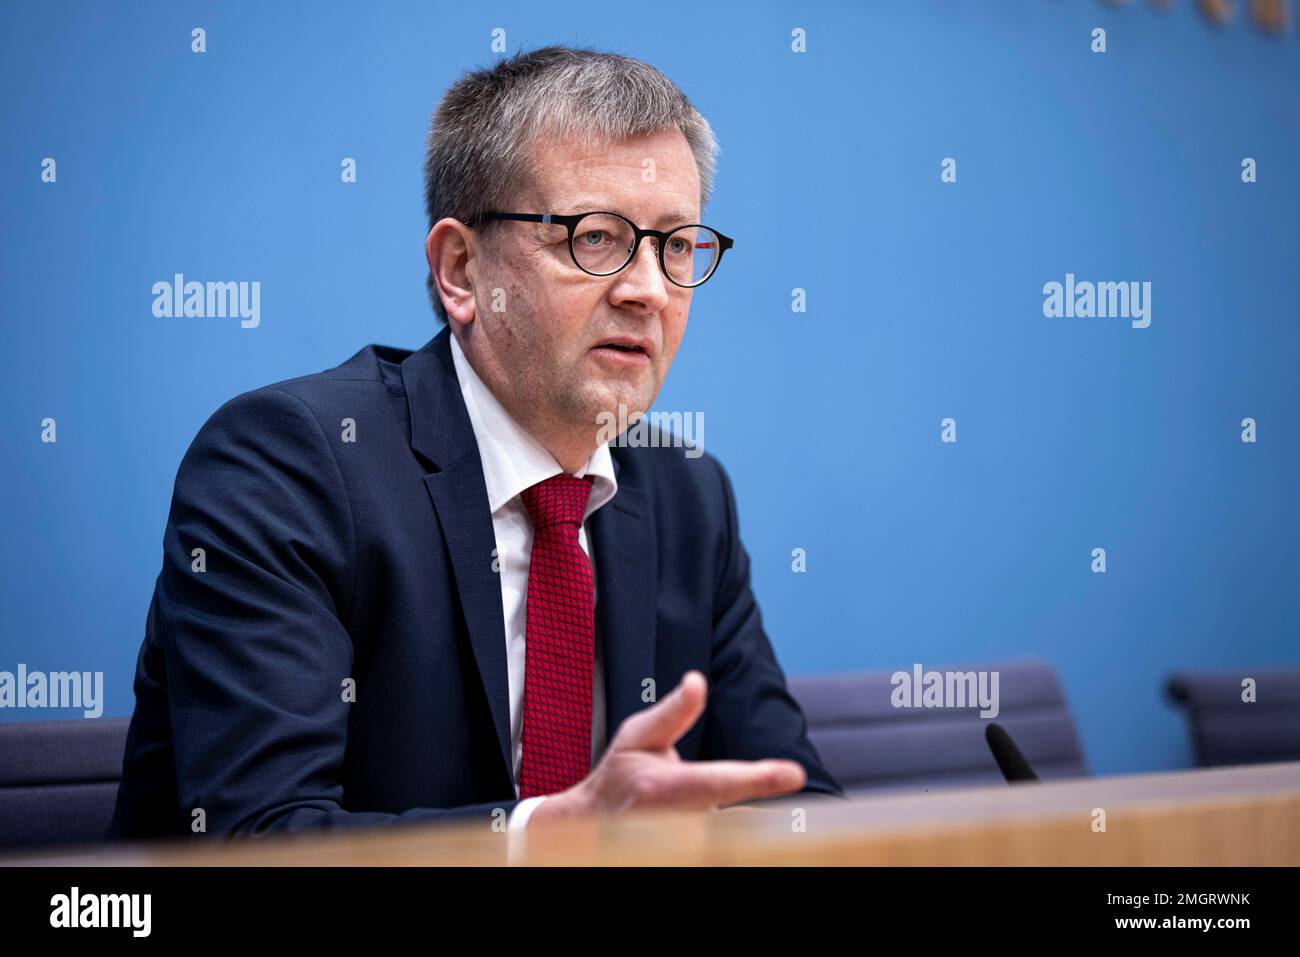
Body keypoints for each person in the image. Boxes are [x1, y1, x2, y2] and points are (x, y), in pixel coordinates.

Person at [109, 45, 842, 840]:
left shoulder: (687, 496)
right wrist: (542, 841)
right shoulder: (286, 466)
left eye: (674, 245)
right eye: (595, 237)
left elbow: (794, 806)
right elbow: (259, 840)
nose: (648, 290)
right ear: (461, 269)